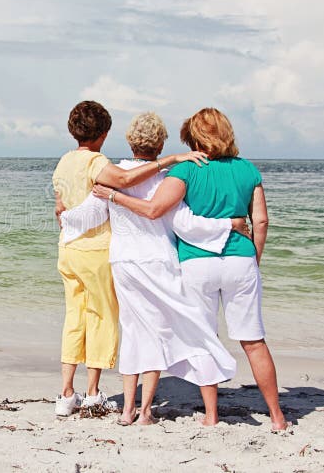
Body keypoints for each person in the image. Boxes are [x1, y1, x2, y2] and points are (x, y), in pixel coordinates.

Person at [93, 107, 289, 430]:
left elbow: (159, 211)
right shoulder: (248, 170)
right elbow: (262, 221)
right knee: (254, 340)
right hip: (241, 260)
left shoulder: (186, 171)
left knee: (203, 337)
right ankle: (278, 418)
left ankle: (211, 416)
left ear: (194, 137)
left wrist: (113, 197)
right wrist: (254, 259)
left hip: (197, 264)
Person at [61, 112, 239, 426]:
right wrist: (228, 225)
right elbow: (183, 223)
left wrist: (63, 214)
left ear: (130, 141)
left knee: (132, 331)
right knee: (158, 332)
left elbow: (89, 214)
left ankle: (128, 410)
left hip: (123, 261)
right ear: (160, 144)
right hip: (158, 260)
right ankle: (145, 412)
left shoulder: (112, 174)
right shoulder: (166, 176)